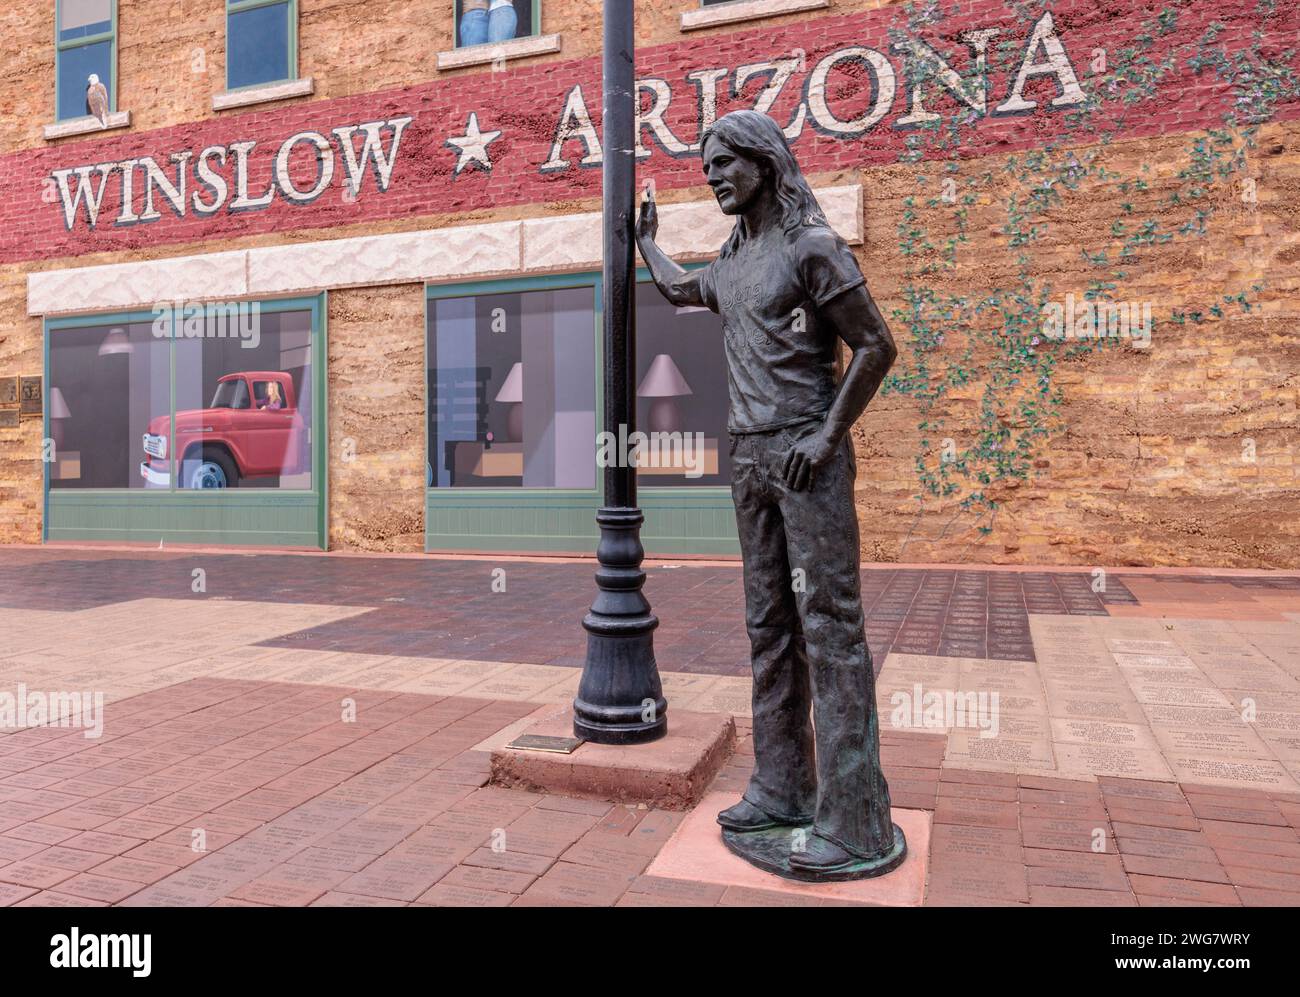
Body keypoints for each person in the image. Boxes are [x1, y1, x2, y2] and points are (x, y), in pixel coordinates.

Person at [635, 109, 902, 877]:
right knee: (769, 625)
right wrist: (642, 241)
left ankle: (854, 820)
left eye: (723, 163)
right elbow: (683, 288)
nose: (713, 176)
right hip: (749, 458)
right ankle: (782, 785)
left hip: (805, 457)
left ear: (763, 163)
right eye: (705, 166)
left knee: (829, 625)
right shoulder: (736, 257)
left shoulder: (811, 246)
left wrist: (825, 437)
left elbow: (877, 344)